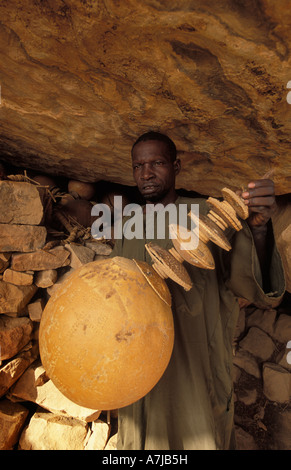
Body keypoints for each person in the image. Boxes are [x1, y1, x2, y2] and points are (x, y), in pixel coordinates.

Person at [110, 131, 285, 450]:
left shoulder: (209, 217)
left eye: (157, 163)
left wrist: (259, 229)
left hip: (194, 366)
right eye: (138, 166)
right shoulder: (126, 227)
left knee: (199, 438)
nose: (146, 173)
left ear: (176, 166)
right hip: (139, 367)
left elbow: (260, 290)